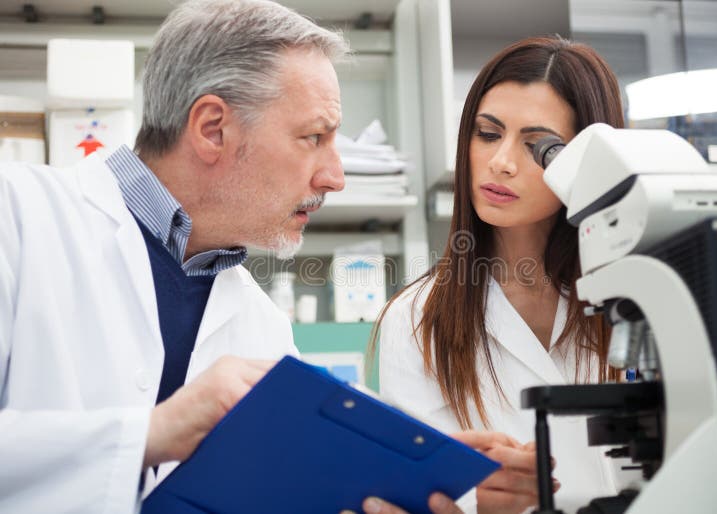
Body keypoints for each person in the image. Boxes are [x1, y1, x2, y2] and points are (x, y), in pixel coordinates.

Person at [0, 1, 464, 513]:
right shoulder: (16, 217)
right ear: (212, 129)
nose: (335, 177)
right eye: (314, 137)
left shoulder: (264, 326)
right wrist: (151, 434)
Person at [374, 36, 626, 514]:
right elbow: (424, 495)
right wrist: (476, 501)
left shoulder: (635, 299)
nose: (501, 162)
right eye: (488, 133)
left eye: (537, 145)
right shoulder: (415, 318)